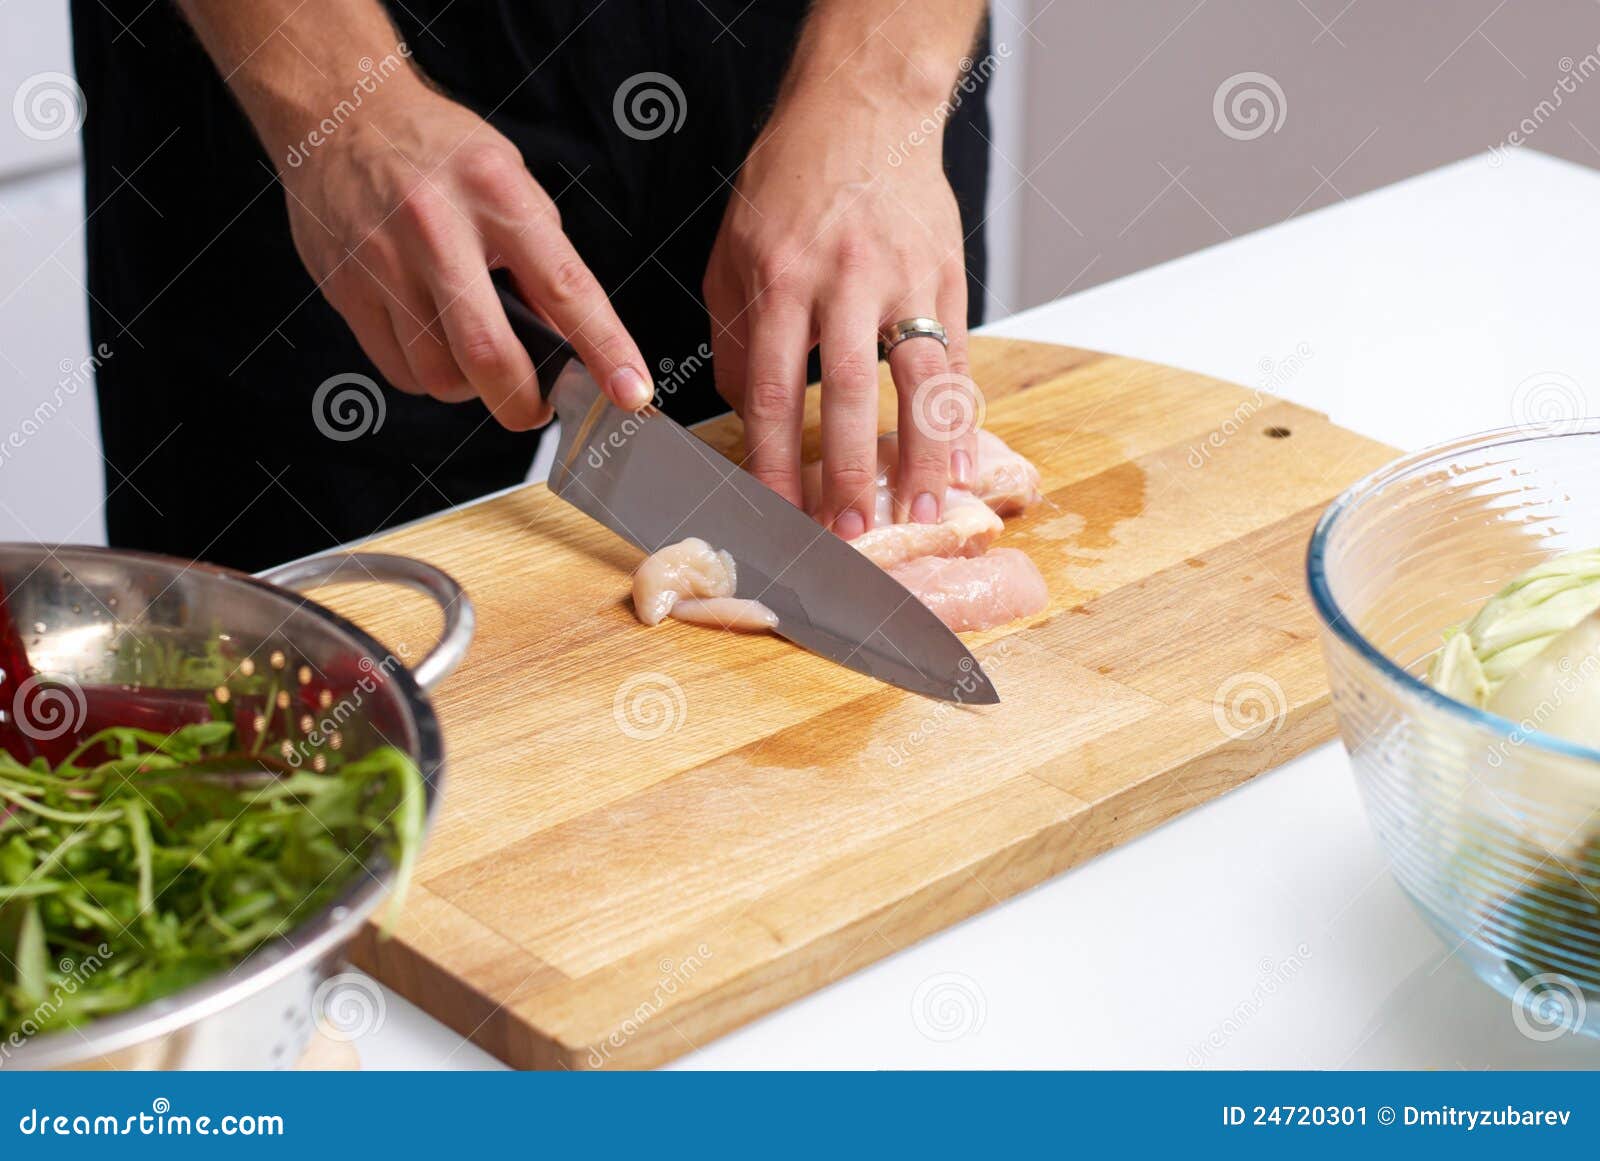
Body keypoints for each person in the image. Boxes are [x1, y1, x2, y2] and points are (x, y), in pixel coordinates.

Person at [72, 1, 993, 572]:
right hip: (304, 84)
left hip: (823, 81)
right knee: (268, 723)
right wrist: (332, 106)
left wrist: (886, 86)